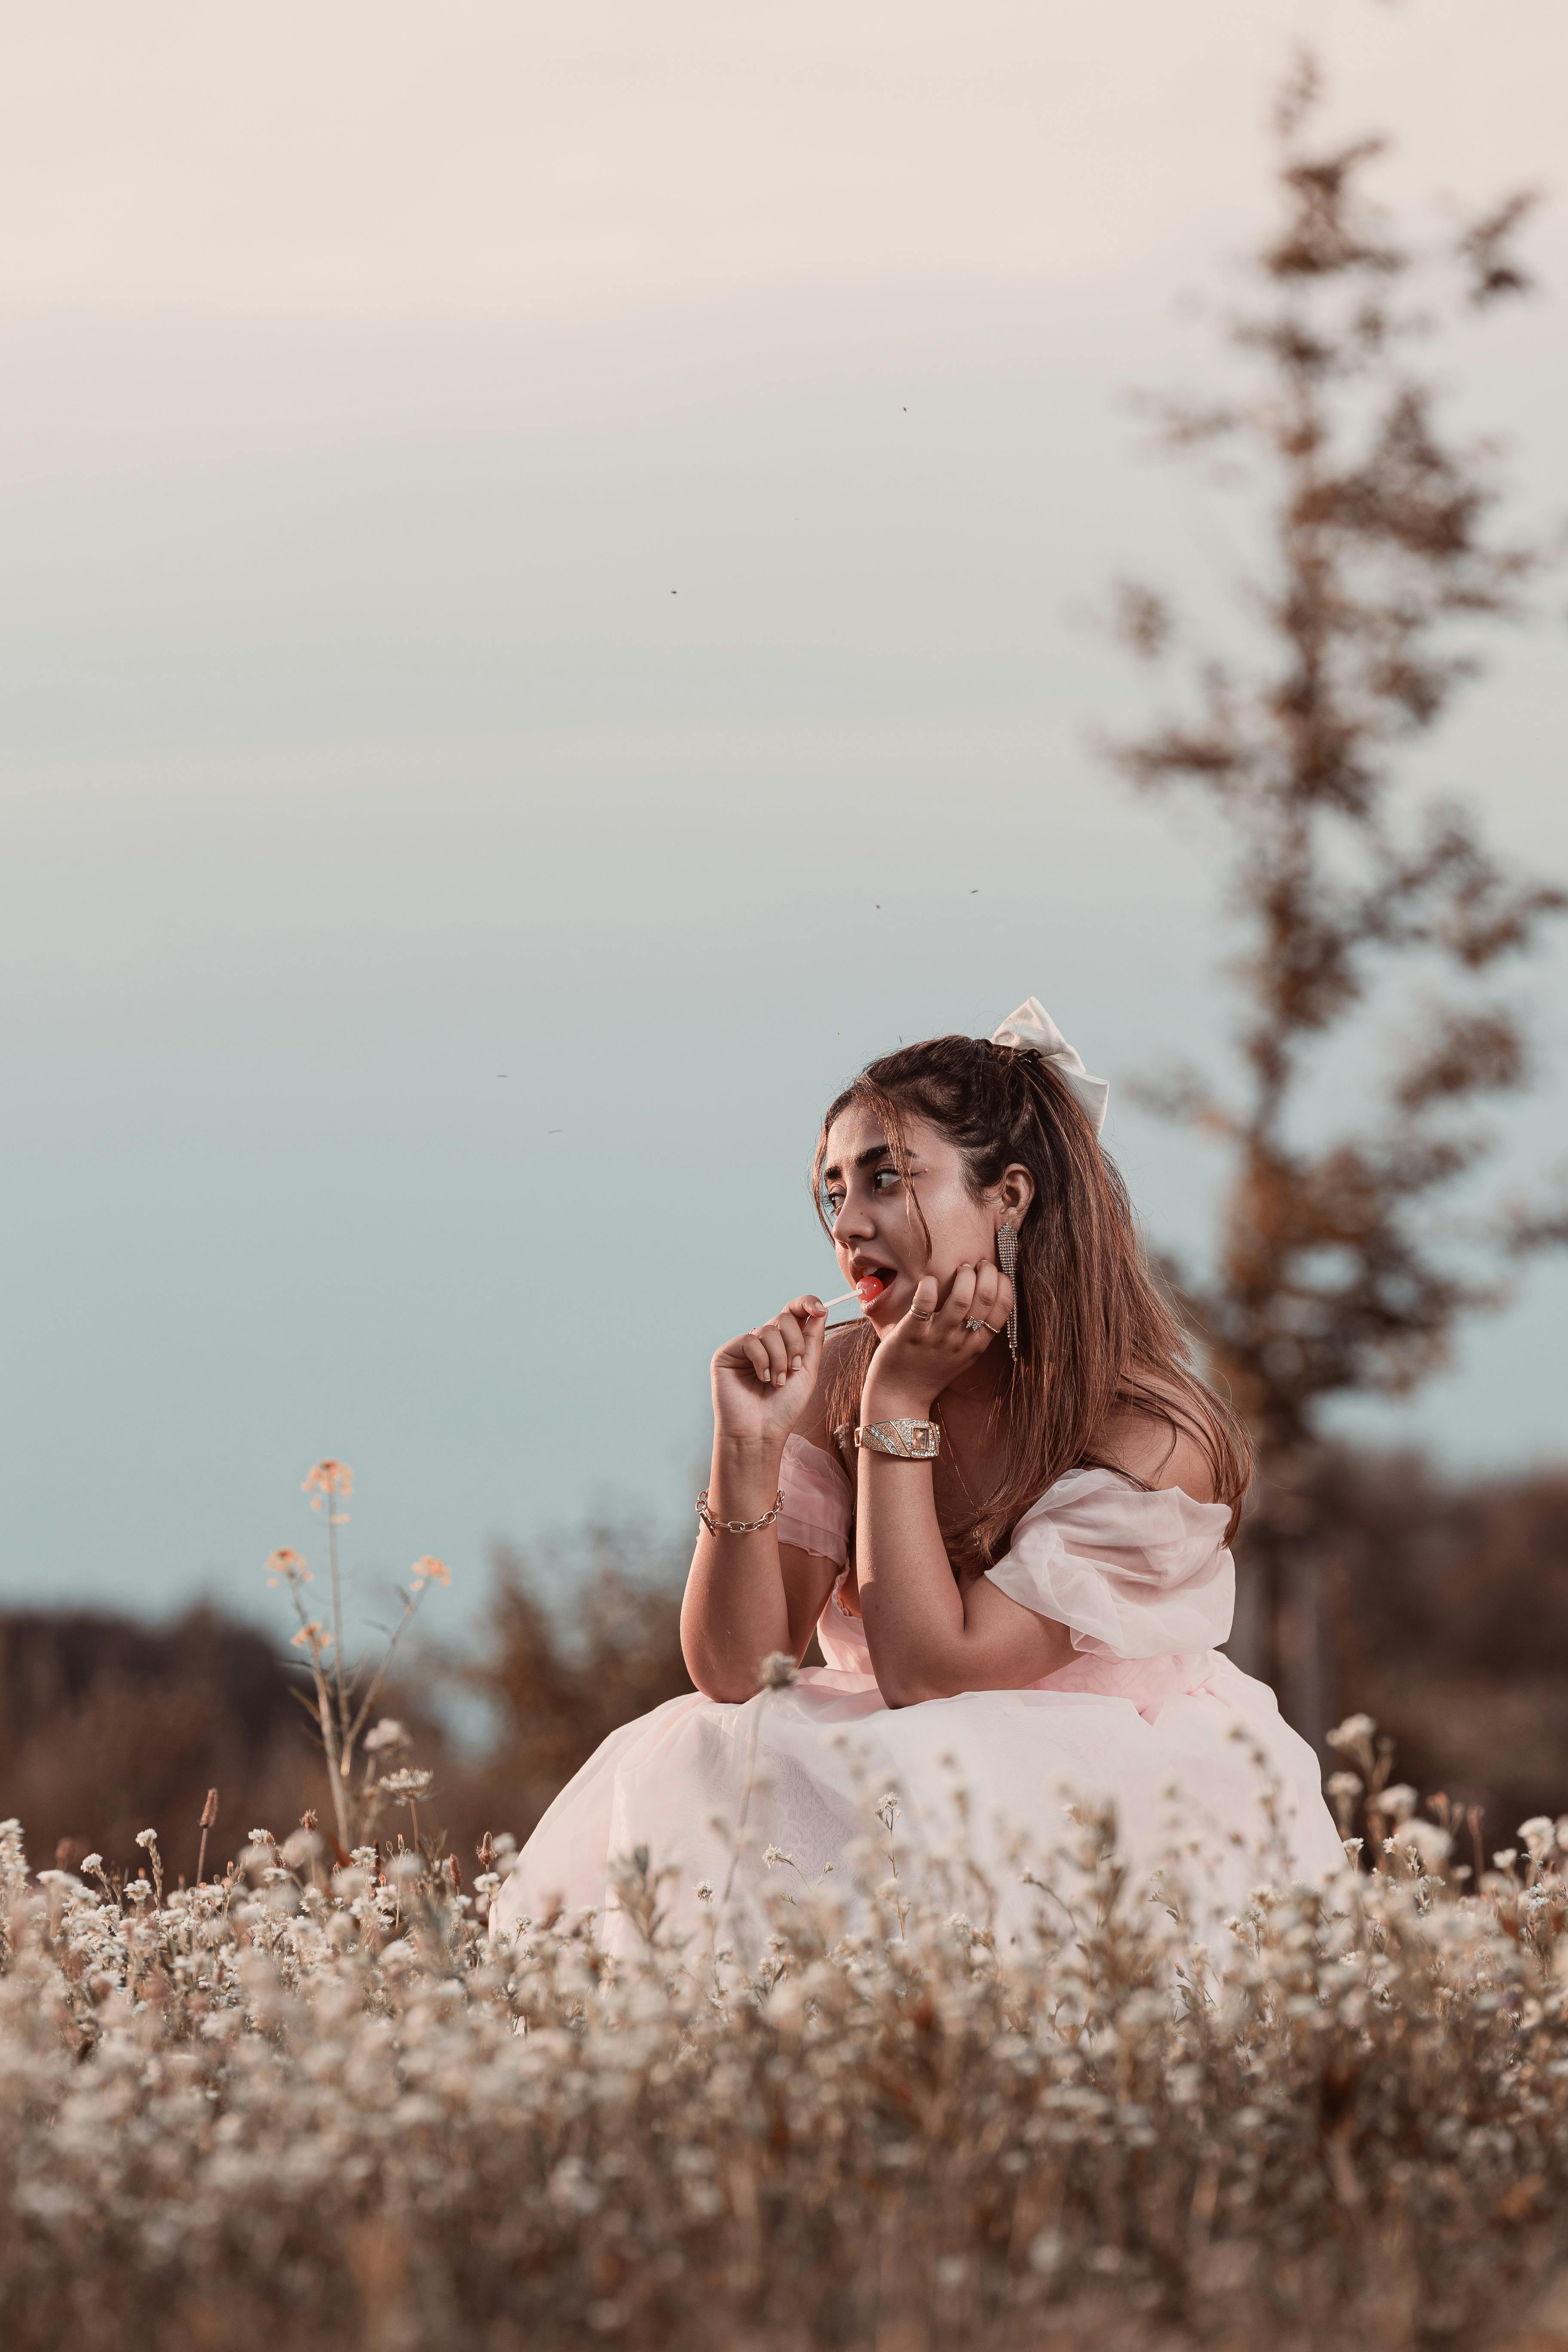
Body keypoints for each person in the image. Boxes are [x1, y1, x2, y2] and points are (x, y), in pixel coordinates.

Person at [493, 1001, 1344, 1953]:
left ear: (1009, 1198)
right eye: (832, 1193)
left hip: (1102, 1791)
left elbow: (938, 1681)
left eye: (887, 1180)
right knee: (702, 1742)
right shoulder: (843, 1376)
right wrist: (748, 1450)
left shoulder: (1148, 1434)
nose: (850, 1223)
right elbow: (737, 1672)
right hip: (907, 1766)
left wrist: (900, 1407)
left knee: (941, 1764)